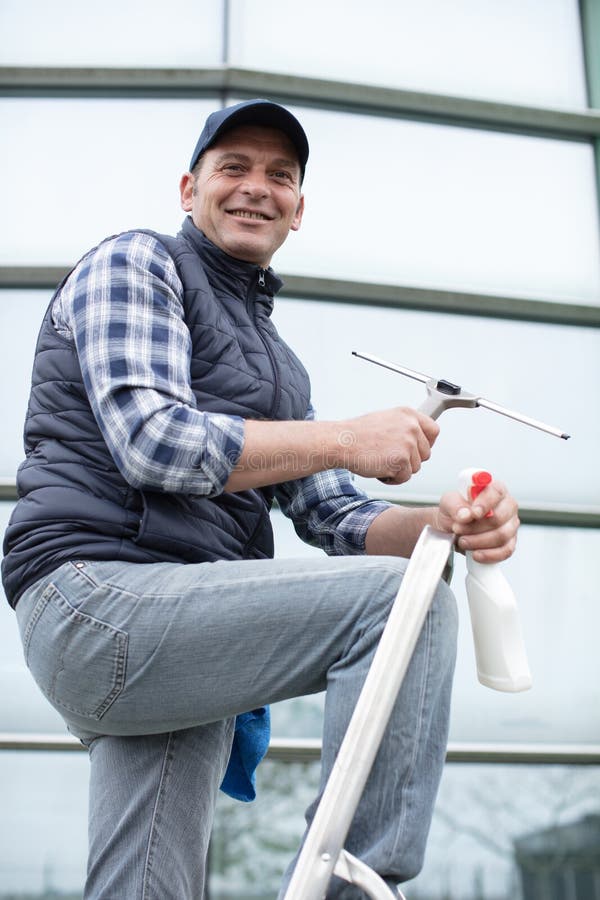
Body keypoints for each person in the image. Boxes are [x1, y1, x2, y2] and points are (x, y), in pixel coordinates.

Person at [2, 99, 519, 899]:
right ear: (188, 189)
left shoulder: (278, 367)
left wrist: (444, 525)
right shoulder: (134, 264)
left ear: (299, 210)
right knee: (404, 608)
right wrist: (348, 438)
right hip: (97, 600)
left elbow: (338, 518)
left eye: (280, 176)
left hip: (181, 631)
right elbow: (154, 443)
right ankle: (353, 883)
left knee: (148, 886)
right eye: (233, 168)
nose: (257, 188)